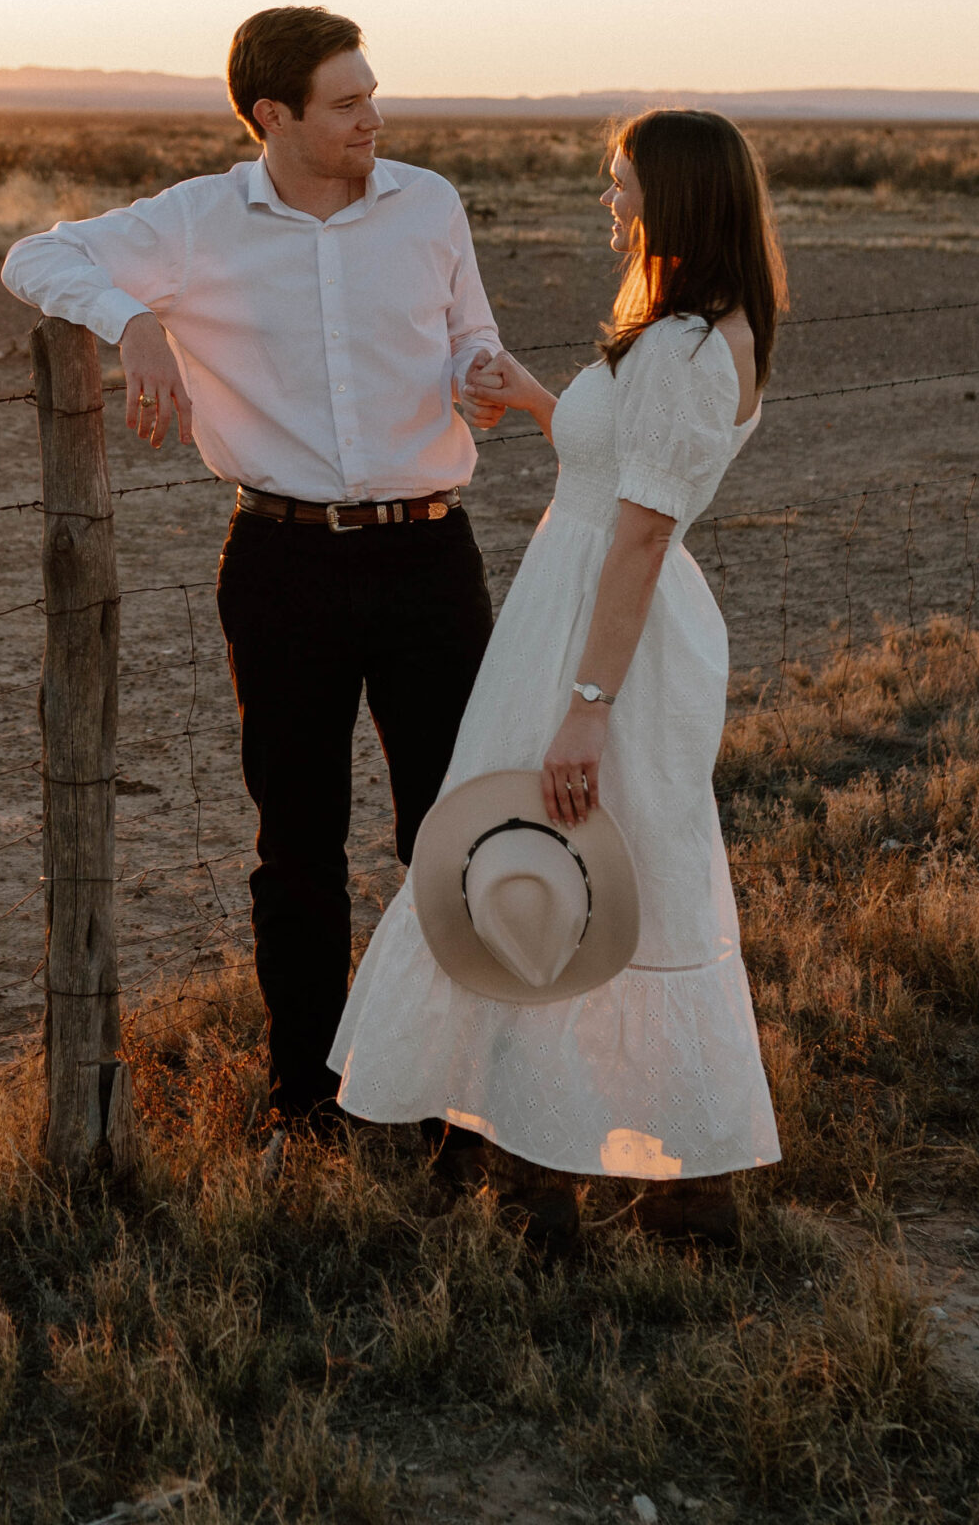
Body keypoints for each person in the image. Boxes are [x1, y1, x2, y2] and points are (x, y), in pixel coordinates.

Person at [0, 7, 503, 1135]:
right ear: (273, 116)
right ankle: (307, 1098)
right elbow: (34, 255)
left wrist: (479, 367)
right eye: (348, 101)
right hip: (284, 564)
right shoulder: (198, 221)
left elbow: (469, 330)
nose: (375, 114)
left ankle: (455, 1086)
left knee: (452, 832)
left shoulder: (427, 203)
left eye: (372, 93)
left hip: (431, 556)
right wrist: (132, 322)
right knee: (297, 849)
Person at [330, 109, 787, 1242]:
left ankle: (644, 1181)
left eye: (620, 182)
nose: (608, 200)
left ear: (675, 198)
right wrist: (541, 398)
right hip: (571, 612)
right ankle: (528, 1140)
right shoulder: (674, 326)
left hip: (606, 634)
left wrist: (587, 709)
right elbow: (619, 464)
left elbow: (638, 534)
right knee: (543, 861)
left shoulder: (687, 347)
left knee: (603, 861)